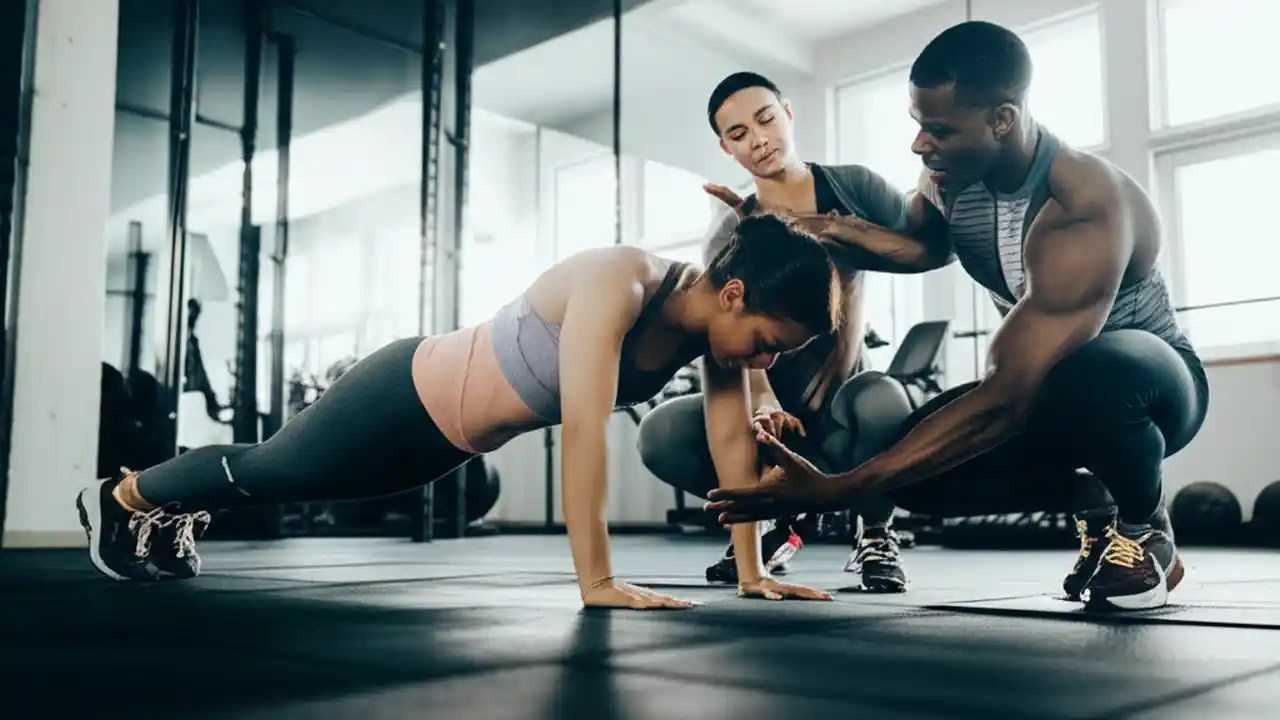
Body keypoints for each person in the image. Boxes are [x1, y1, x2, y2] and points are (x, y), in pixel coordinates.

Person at [76, 214, 838, 610]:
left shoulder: (718, 342)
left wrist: (752, 574)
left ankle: (169, 505)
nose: (765, 363)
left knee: (292, 483)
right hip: (403, 391)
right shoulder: (621, 280)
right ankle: (124, 496)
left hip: (448, 445)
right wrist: (599, 581)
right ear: (733, 294)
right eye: (770, 343)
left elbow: (733, 446)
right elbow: (583, 434)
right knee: (270, 467)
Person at [706, 21, 1210, 611]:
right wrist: (796, 233)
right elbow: (922, 248)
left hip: (1149, 385)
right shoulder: (951, 179)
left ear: (1003, 119)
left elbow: (1007, 393)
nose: (920, 145)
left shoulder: (1082, 202)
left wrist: (836, 490)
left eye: (939, 130)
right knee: (911, 471)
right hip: (1045, 387)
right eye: (919, 124)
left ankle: (1146, 529)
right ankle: (1094, 504)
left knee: (1091, 369)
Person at [638, 71, 930, 592]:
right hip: (775, 409)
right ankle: (773, 517)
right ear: (726, 148)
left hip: (844, 410)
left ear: (788, 113)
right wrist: (763, 402)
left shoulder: (854, 187)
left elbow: (930, 251)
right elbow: (724, 339)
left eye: (766, 119)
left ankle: (876, 531)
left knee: (884, 401)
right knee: (661, 433)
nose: (759, 139)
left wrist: (837, 230)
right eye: (739, 133)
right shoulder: (730, 230)